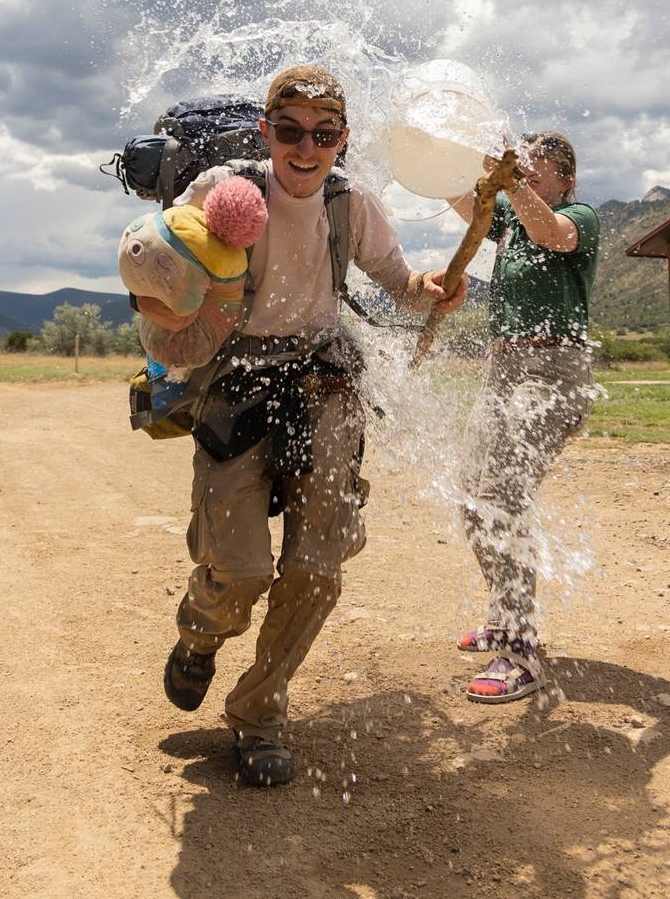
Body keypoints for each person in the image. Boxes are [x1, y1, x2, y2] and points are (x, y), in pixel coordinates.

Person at [138, 64, 468, 785]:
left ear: (341, 139)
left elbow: (400, 284)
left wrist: (431, 288)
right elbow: (166, 273)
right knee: (241, 568)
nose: (305, 148)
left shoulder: (354, 207)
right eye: (289, 131)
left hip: (326, 384)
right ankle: (200, 632)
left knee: (318, 569)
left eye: (323, 134)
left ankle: (258, 716)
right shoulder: (223, 192)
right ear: (267, 131)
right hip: (237, 387)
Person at [450, 132, 599, 703]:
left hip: (553, 370)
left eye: (539, 172)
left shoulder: (577, 216)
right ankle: (502, 612)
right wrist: (446, 162)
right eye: (522, 168)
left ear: (566, 180)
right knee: (470, 493)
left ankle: (521, 650)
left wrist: (513, 183)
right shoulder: (508, 216)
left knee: (504, 494)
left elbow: (549, 233)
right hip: (502, 367)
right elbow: (466, 203)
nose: (527, 177)